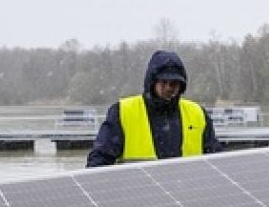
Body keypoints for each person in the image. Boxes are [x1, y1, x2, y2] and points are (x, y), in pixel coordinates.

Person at [85, 49, 223, 168]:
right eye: (164, 82)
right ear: (152, 82)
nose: (169, 88)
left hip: (188, 193)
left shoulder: (197, 113)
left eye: (174, 83)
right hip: (136, 194)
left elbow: (216, 160)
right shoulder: (123, 111)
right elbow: (100, 158)